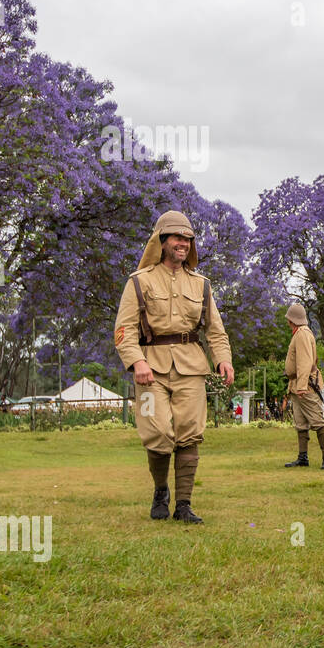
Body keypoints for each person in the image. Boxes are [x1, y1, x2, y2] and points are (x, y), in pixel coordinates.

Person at [113, 210, 233, 524]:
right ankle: (160, 490)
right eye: (177, 238)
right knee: (158, 433)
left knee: (190, 435)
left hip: (192, 368)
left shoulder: (202, 284)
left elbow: (215, 329)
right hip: (150, 370)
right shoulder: (139, 282)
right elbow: (124, 329)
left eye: (187, 239)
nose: (183, 244)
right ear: (162, 241)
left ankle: (183, 505)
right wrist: (136, 360)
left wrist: (223, 358)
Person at [283, 303, 324, 470]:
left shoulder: (302, 334)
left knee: (317, 421)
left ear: (292, 320)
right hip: (297, 383)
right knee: (301, 422)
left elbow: (304, 362)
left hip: (306, 384)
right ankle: (303, 457)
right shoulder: (299, 334)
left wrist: (302, 386)